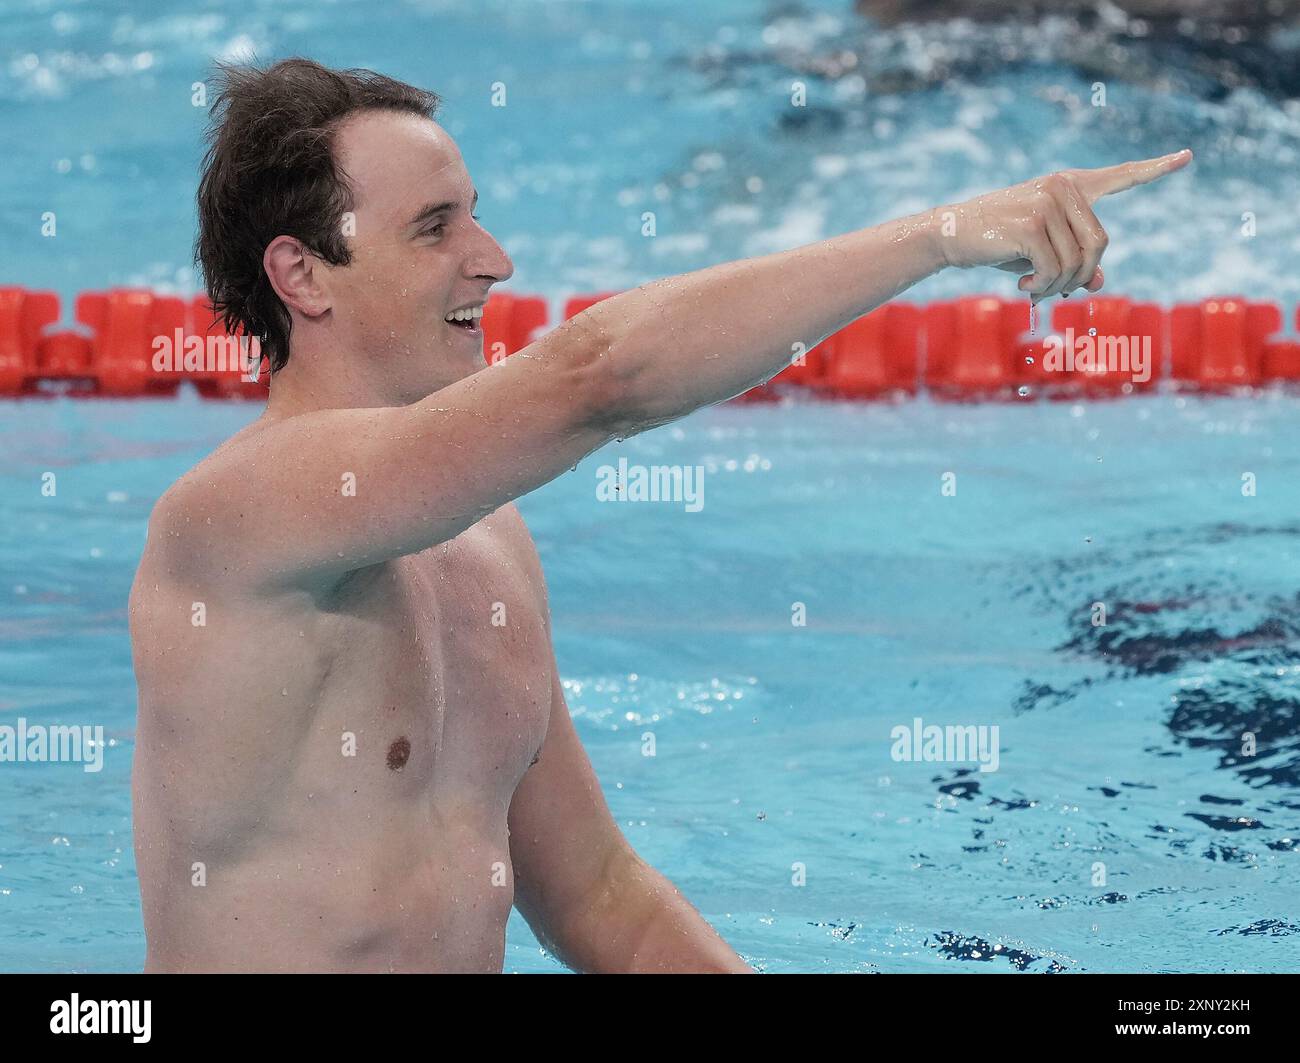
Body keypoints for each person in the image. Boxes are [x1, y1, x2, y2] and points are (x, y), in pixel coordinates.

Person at [128, 56, 1191, 973]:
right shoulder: (233, 519)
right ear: (301, 274)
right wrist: (945, 233)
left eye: (477, 217)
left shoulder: (486, 543)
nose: (493, 261)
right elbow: (599, 374)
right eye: (434, 229)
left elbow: (599, 899)